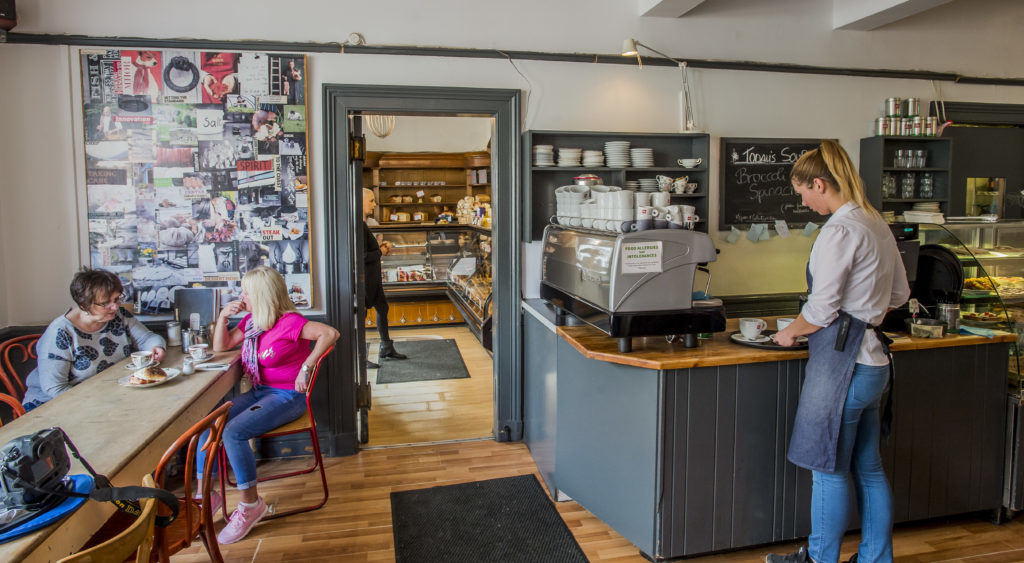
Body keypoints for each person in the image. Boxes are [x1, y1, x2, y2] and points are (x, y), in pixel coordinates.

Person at [766, 140, 910, 563]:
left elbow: (822, 308)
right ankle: (874, 559)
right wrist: (866, 310)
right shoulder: (874, 221)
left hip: (843, 368)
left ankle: (819, 559)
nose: (803, 201)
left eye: (802, 192)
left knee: (827, 470)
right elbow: (900, 293)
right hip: (874, 364)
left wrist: (789, 333)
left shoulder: (840, 230)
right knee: (868, 468)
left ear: (819, 182)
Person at [200, 265, 338, 544]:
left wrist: (306, 367)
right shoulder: (253, 321)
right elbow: (221, 347)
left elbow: (330, 334)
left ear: (262, 295)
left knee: (232, 432)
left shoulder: (291, 322)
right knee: (209, 424)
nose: (242, 297)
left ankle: (251, 506)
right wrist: (223, 316)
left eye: (247, 292)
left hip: (288, 397)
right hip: (260, 392)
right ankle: (206, 496)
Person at [22, 268, 166, 410]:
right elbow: (55, 388)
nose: (114, 306)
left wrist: (156, 347)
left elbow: (146, 338)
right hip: (52, 405)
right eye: (105, 303)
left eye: (117, 299)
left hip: (104, 395)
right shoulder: (61, 332)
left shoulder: (118, 316)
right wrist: (99, 406)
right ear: (84, 304)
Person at [362, 188, 407, 368]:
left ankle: (386, 347)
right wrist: (380, 251)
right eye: (371, 200)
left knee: (383, 307)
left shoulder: (361, 224)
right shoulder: (358, 224)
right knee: (361, 317)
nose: (374, 204)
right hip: (365, 279)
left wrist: (379, 248)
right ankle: (360, 358)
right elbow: (361, 257)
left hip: (373, 278)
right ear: (361, 201)